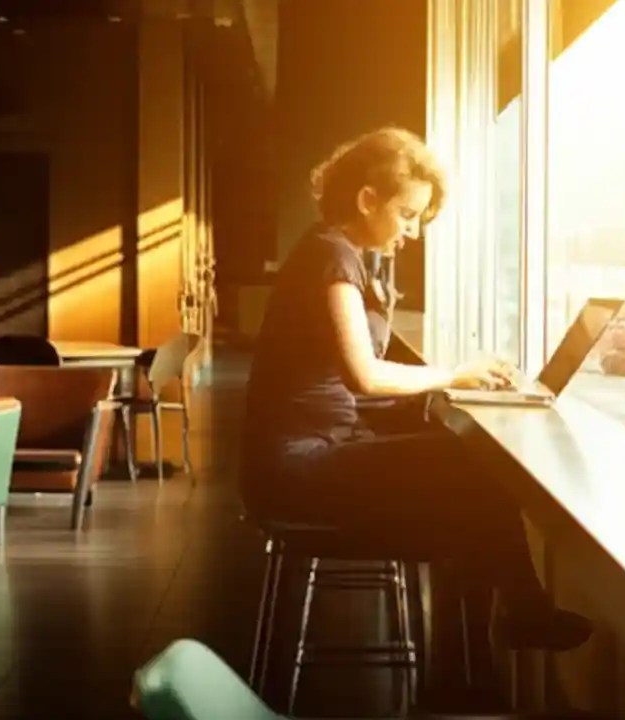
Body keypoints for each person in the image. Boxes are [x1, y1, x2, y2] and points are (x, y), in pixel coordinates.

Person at [240, 127, 591, 651]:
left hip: (312, 451)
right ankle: (503, 631)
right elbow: (366, 375)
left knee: (463, 477)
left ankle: (489, 643)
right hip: (297, 469)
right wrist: (455, 376)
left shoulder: (335, 252)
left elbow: (345, 381)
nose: (414, 232)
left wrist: (448, 389)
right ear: (367, 200)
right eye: (407, 215)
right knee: (470, 472)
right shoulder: (331, 258)